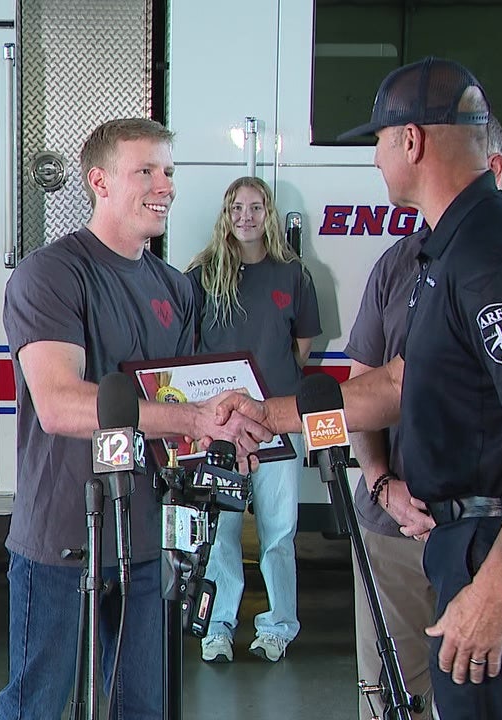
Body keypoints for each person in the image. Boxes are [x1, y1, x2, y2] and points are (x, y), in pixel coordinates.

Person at [213, 58, 502, 720]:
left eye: (378, 141)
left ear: (412, 141)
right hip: (473, 537)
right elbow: (396, 384)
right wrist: (267, 414)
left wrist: (495, 587)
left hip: (501, 540)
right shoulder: (452, 250)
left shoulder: (492, 253)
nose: (376, 158)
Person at [0, 117, 269, 720]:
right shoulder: (52, 274)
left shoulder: (176, 287)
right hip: (64, 537)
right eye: (145, 170)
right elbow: (60, 403)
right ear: (99, 181)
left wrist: (225, 432)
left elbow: (190, 404)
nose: (164, 186)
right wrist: (192, 419)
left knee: (141, 706)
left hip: (149, 541)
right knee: (36, 704)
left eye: (169, 171)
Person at [344, 116, 502, 718]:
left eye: (383, 145)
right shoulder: (395, 266)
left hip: (481, 534)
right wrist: (382, 483)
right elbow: (365, 388)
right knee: (388, 692)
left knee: (478, 695)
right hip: (393, 523)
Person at [187, 176, 320, 664]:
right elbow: (186, 352)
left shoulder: (293, 275)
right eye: (237, 207)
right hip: (220, 429)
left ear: (269, 213)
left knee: (279, 532)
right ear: (226, 213)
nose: (247, 216)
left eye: (256, 207)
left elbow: (301, 347)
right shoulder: (202, 275)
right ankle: (218, 625)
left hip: (278, 425)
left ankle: (278, 626)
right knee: (220, 533)